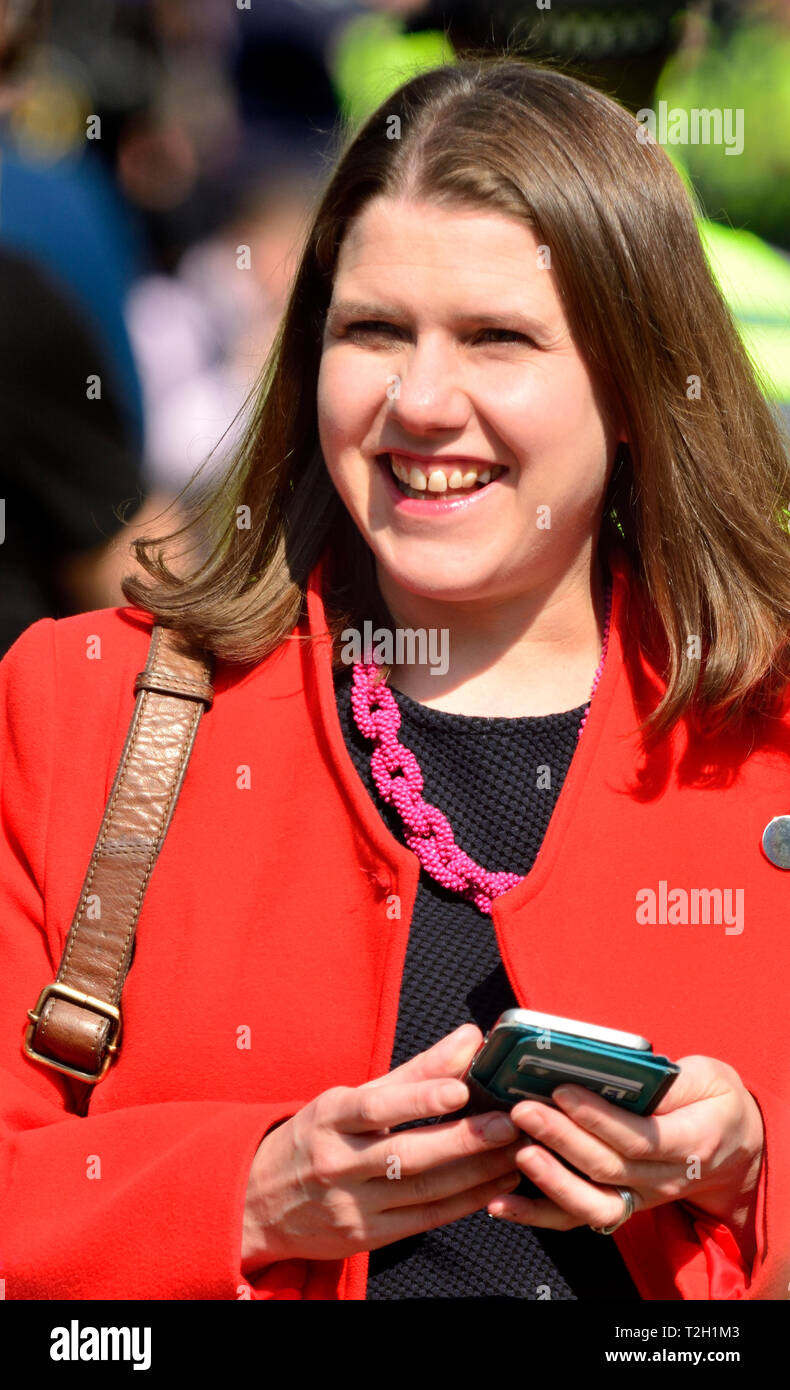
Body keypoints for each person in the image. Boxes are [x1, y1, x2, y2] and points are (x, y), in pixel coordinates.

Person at [1, 55, 788, 1301]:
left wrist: (751, 1171)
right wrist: (246, 1197)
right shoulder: (79, 707)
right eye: (373, 331)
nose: (420, 402)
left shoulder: (763, 737)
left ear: (637, 383)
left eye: (497, 338)